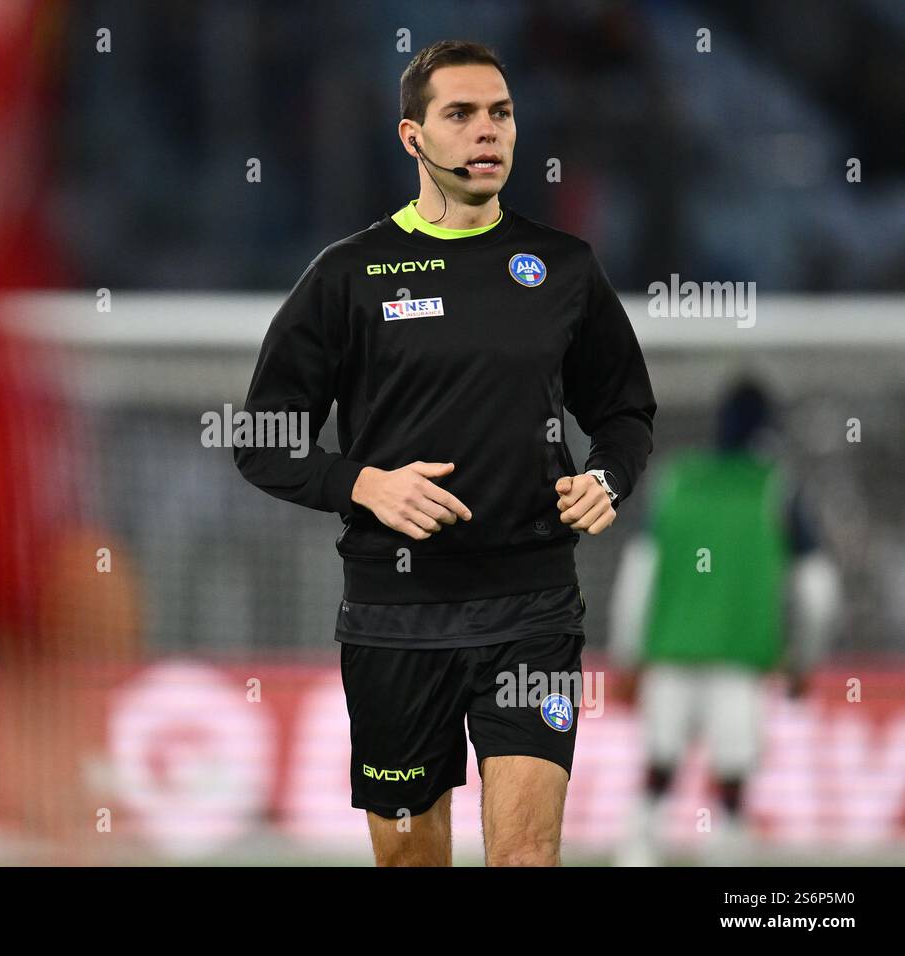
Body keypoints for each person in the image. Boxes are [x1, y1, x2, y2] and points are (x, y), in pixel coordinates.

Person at [234, 40, 656, 866]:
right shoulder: (349, 276)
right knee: (409, 861)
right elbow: (262, 437)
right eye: (460, 114)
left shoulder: (563, 268)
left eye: (499, 113)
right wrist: (363, 484)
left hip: (532, 608)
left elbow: (624, 411)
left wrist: (608, 475)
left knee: (526, 857)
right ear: (412, 137)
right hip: (395, 617)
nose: (486, 131)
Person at [608, 377, 840, 866]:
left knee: (658, 769)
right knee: (732, 782)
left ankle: (639, 850)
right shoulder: (778, 489)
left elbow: (637, 575)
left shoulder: (674, 481)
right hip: (742, 655)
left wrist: (627, 654)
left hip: (671, 650)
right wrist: (803, 659)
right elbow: (818, 590)